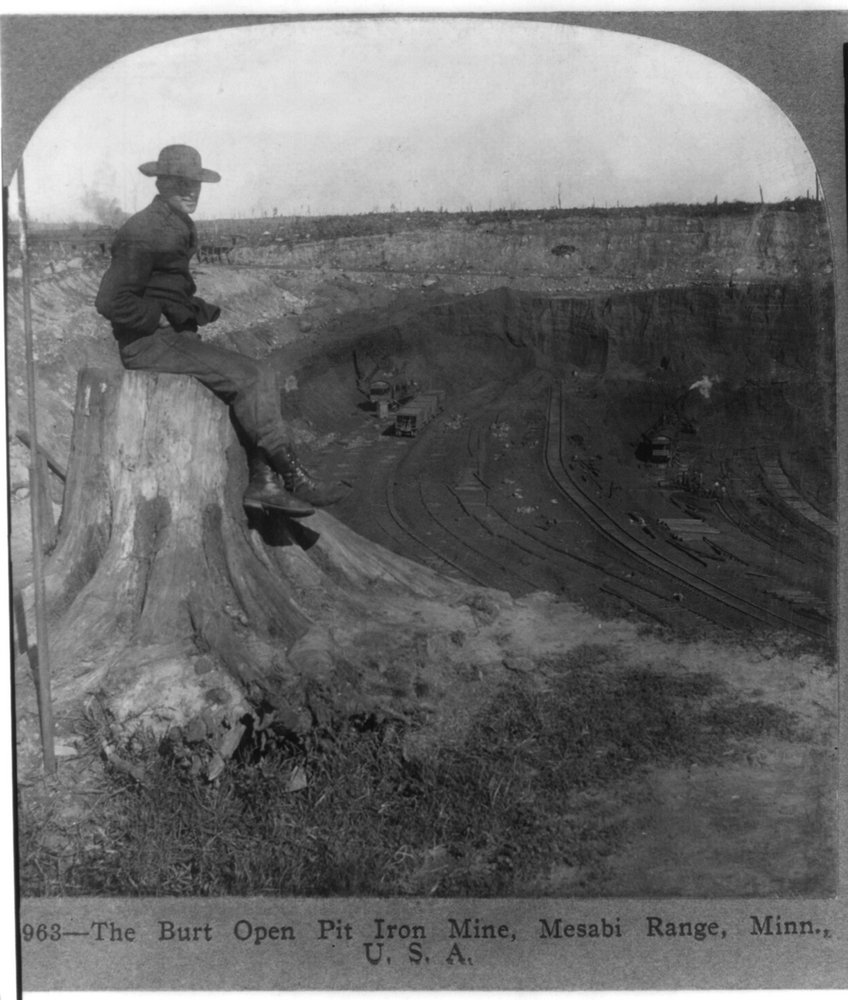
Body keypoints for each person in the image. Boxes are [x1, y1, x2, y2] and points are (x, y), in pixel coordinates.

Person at [95, 144, 347, 517]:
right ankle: (292, 476)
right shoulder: (144, 230)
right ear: (161, 183)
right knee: (252, 376)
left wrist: (182, 311)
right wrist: (158, 316)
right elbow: (110, 301)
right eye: (181, 183)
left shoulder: (174, 222)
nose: (191, 190)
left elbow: (163, 285)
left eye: (195, 183)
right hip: (149, 344)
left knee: (254, 377)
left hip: (171, 339)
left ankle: (264, 483)